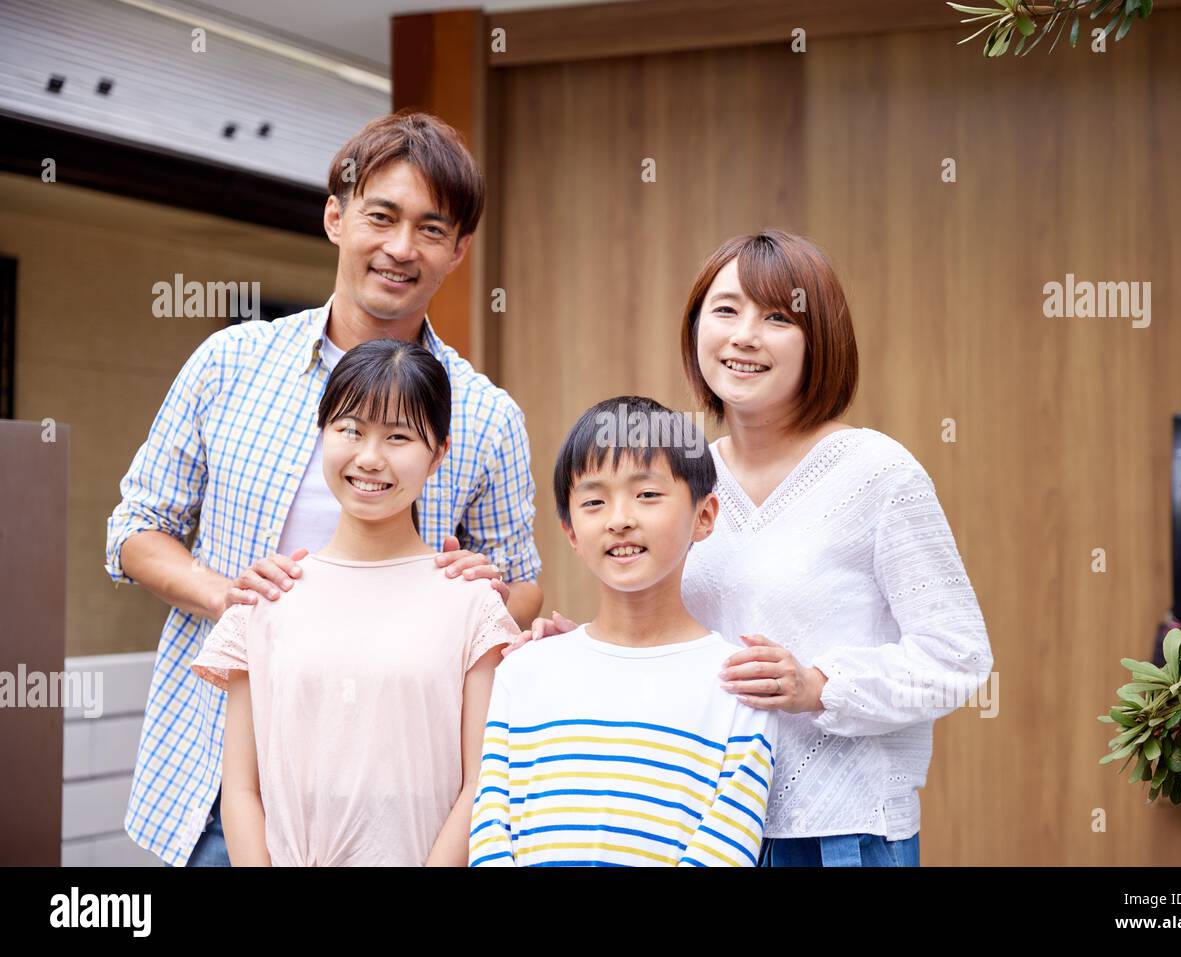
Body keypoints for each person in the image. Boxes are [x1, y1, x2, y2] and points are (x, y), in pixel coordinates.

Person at [105, 111, 544, 867]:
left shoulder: (486, 415)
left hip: (396, 796)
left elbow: (523, 587)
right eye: (382, 216)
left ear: (459, 250)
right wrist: (228, 599)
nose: (402, 248)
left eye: (432, 229)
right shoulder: (229, 362)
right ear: (336, 216)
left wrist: (491, 590)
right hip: (219, 774)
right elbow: (135, 528)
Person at [512, 230, 993, 867]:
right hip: (691, 822)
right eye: (727, 310)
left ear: (819, 340)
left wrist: (818, 686)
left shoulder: (879, 474)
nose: (745, 336)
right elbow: (679, 639)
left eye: (777, 317)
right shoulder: (685, 479)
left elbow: (958, 658)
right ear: (696, 330)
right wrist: (590, 647)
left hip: (838, 835)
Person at [190, 338, 518, 865]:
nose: (370, 458)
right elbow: (241, 789)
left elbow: (481, 785)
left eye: (398, 436)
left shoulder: (473, 606)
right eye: (350, 430)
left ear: (438, 454)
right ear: (322, 435)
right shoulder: (265, 602)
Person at [469, 396, 776, 867]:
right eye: (594, 502)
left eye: (647, 495)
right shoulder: (523, 670)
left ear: (705, 516)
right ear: (571, 531)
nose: (619, 519)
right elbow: (491, 829)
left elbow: (723, 851)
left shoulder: (738, 686)